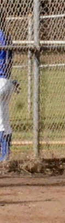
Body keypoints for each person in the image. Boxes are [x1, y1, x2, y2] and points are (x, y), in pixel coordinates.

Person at [0, 19, 14, 162]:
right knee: (5, 121)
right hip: (7, 81)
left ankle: (3, 157)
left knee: (1, 123)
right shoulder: (8, 37)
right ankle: (6, 155)